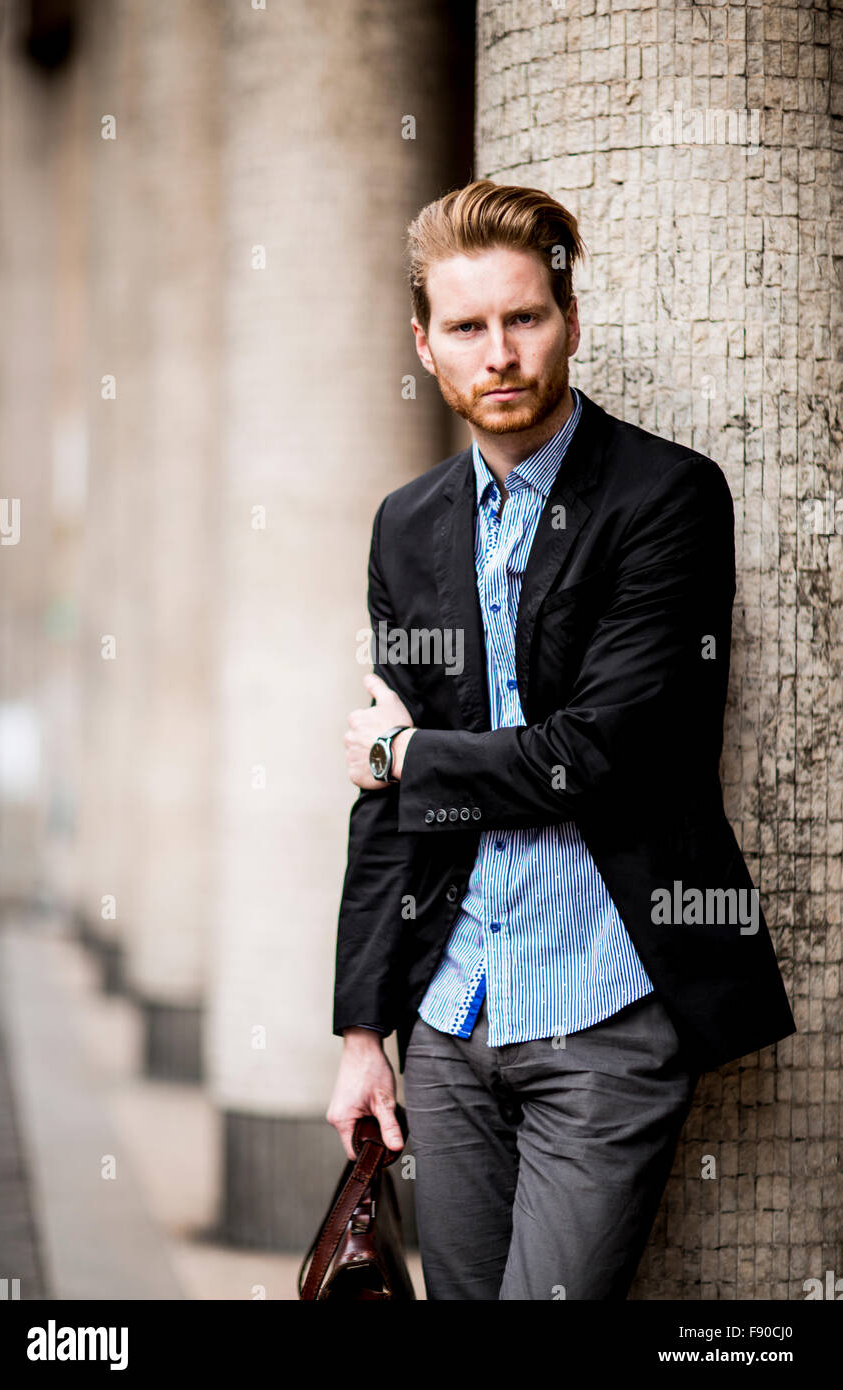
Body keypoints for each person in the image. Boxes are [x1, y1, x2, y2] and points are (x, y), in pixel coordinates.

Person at [327, 179, 796, 1300]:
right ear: (425, 345)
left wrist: (406, 756)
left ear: (569, 322)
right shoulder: (406, 523)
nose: (498, 353)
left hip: (603, 1015)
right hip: (448, 1020)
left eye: (523, 318)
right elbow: (386, 807)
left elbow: (593, 754)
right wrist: (359, 1030)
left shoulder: (667, 497)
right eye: (466, 327)